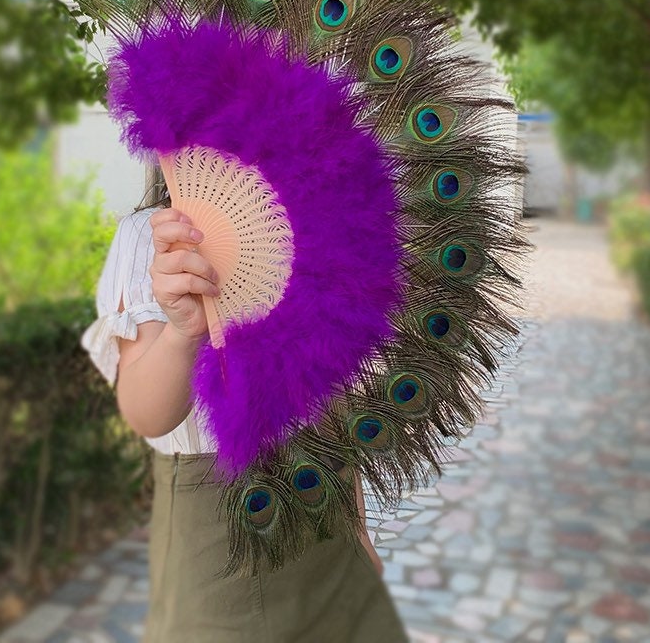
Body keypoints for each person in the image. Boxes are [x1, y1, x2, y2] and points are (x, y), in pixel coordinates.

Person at [81, 189, 409, 642]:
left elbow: (335, 395)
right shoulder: (154, 237)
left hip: (328, 511)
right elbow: (145, 414)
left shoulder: (312, 223)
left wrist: (358, 530)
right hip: (221, 538)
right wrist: (184, 334)